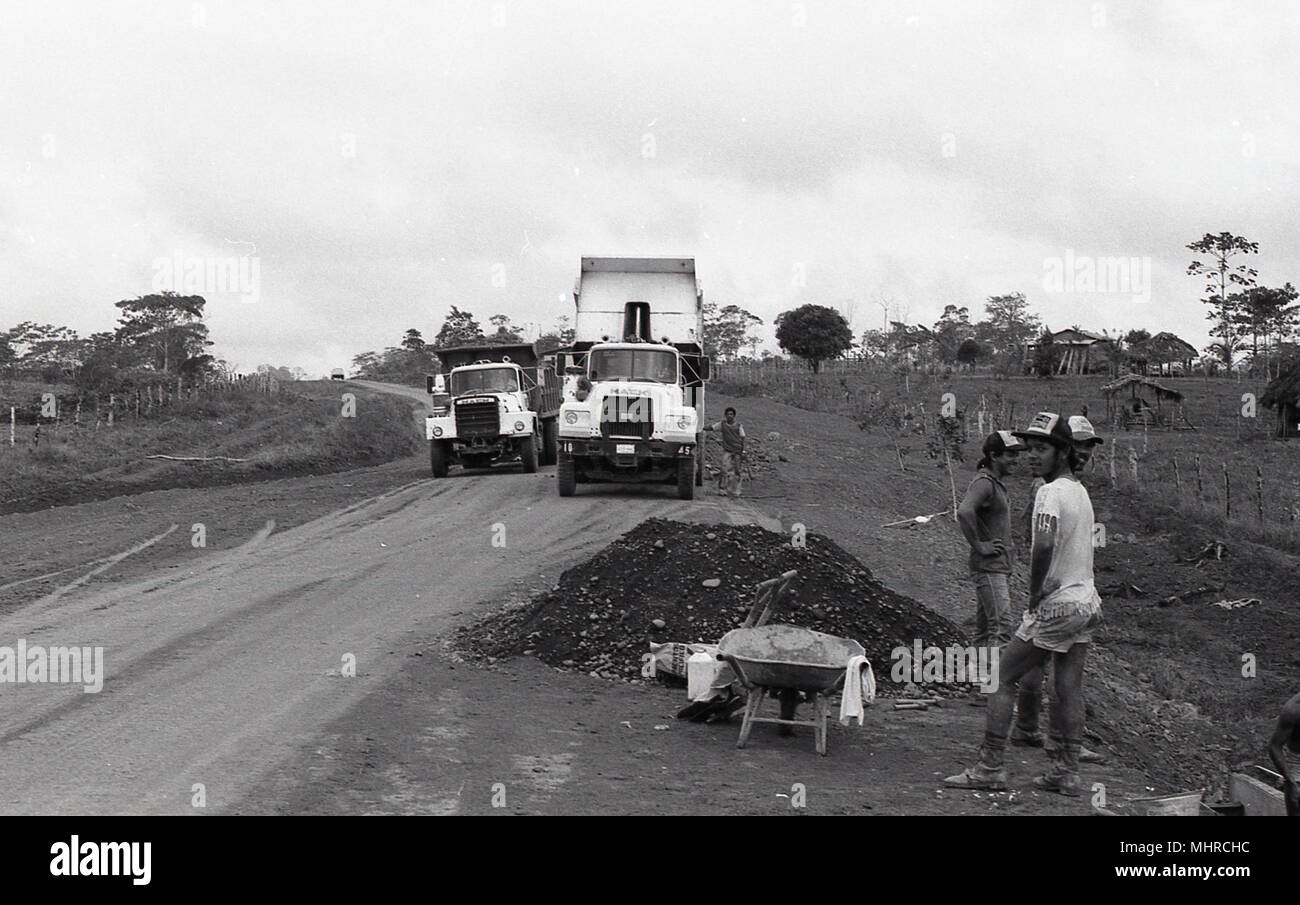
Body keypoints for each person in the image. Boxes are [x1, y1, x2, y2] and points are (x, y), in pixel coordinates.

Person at [945, 412, 1103, 796]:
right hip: (1087, 602)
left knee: (999, 676)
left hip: (1058, 604)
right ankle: (1066, 772)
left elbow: (1045, 543)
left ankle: (989, 767)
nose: (1032, 457)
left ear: (1062, 451)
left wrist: (1034, 592)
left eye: (1041, 449)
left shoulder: (1049, 493)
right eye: (1030, 449)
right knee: (1069, 687)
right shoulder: (1078, 490)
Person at [1012, 415, 1106, 763]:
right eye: (1080, 446)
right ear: (1067, 449)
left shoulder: (1070, 486)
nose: (1084, 454)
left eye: (1089, 447)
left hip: (1063, 588)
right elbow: (1042, 540)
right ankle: (1037, 732)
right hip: (1056, 588)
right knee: (1039, 665)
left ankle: (1047, 738)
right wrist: (1039, 585)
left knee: (1052, 670)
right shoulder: (1049, 486)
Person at [957, 432, 1025, 705]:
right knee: (1003, 624)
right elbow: (964, 511)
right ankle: (993, 686)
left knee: (986, 628)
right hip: (989, 567)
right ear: (994, 456)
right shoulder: (984, 484)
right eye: (1010, 455)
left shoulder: (995, 484)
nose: (1015, 460)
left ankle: (979, 686)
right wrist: (980, 544)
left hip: (997, 566)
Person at [1268, 691, 1300, 816]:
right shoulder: (1294, 709)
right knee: (1296, 805)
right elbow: (1274, 746)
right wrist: (1291, 781)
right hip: (1298, 762)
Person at [704, 407, 746, 497]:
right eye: (728, 414)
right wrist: (701, 427)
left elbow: (742, 438)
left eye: (731, 414)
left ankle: (736, 490)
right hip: (727, 450)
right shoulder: (722, 424)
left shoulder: (739, 426)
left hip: (737, 450)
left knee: (737, 470)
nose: (729, 416)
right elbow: (712, 427)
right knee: (724, 469)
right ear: (725, 415)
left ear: (734, 416)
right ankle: (722, 489)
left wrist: (742, 451)